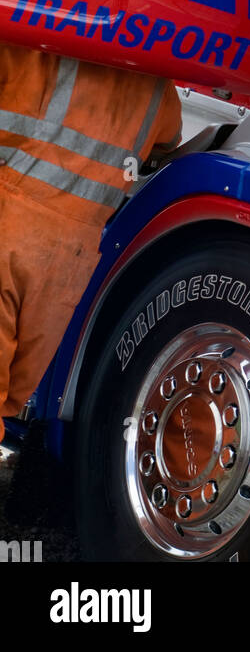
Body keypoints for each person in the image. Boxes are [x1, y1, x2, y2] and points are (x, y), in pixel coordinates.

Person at [0, 41, 182, 444]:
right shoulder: (157, 88)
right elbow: (166, 145)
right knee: (13, 394)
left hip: (9, 224)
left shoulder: (35, 39)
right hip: (71, 260)